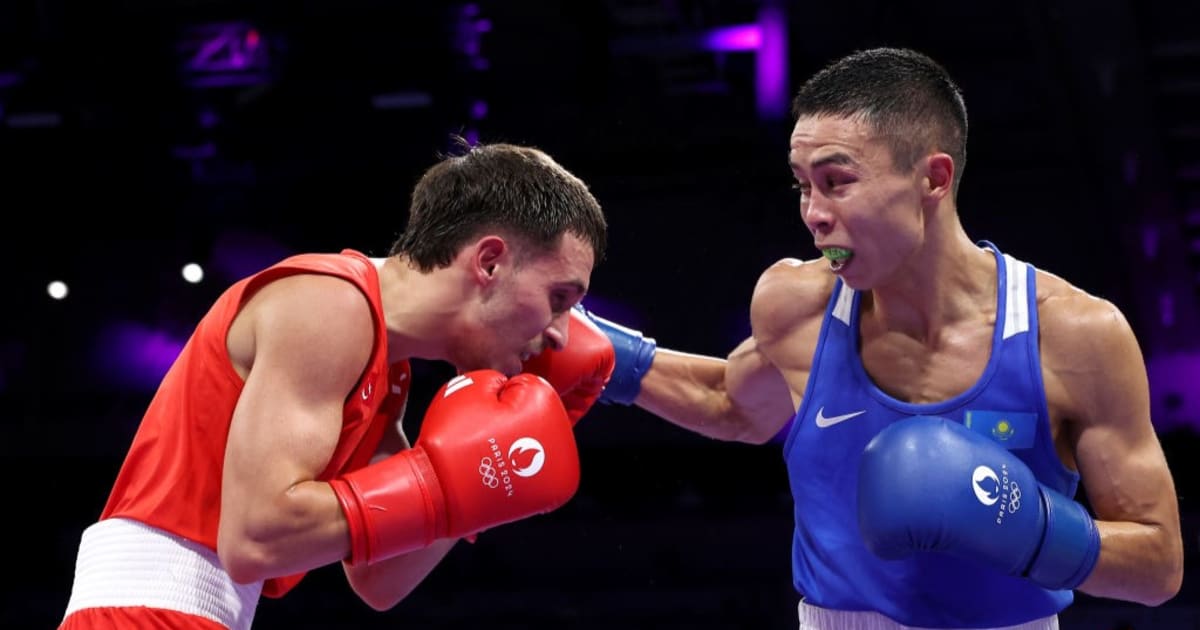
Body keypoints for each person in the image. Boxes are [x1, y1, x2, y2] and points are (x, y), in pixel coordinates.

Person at [570, 47, 1185, 628]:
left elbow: (1159, 567)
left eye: (837, 182)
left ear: (934, 179)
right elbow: (733, 406)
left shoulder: (1075, 336)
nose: (813, 211)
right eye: (801, 185)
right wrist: (600, 352)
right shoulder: (795, 304)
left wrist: (1028, 530)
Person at [59, 140, 616, 629]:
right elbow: (256, 537)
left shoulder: (383, 363)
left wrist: (487, 479)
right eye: (560, 299)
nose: (561, 335)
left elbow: (379, 581)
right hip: (142, 613)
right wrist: (442, 482)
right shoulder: (331, 305)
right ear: (489, 262)